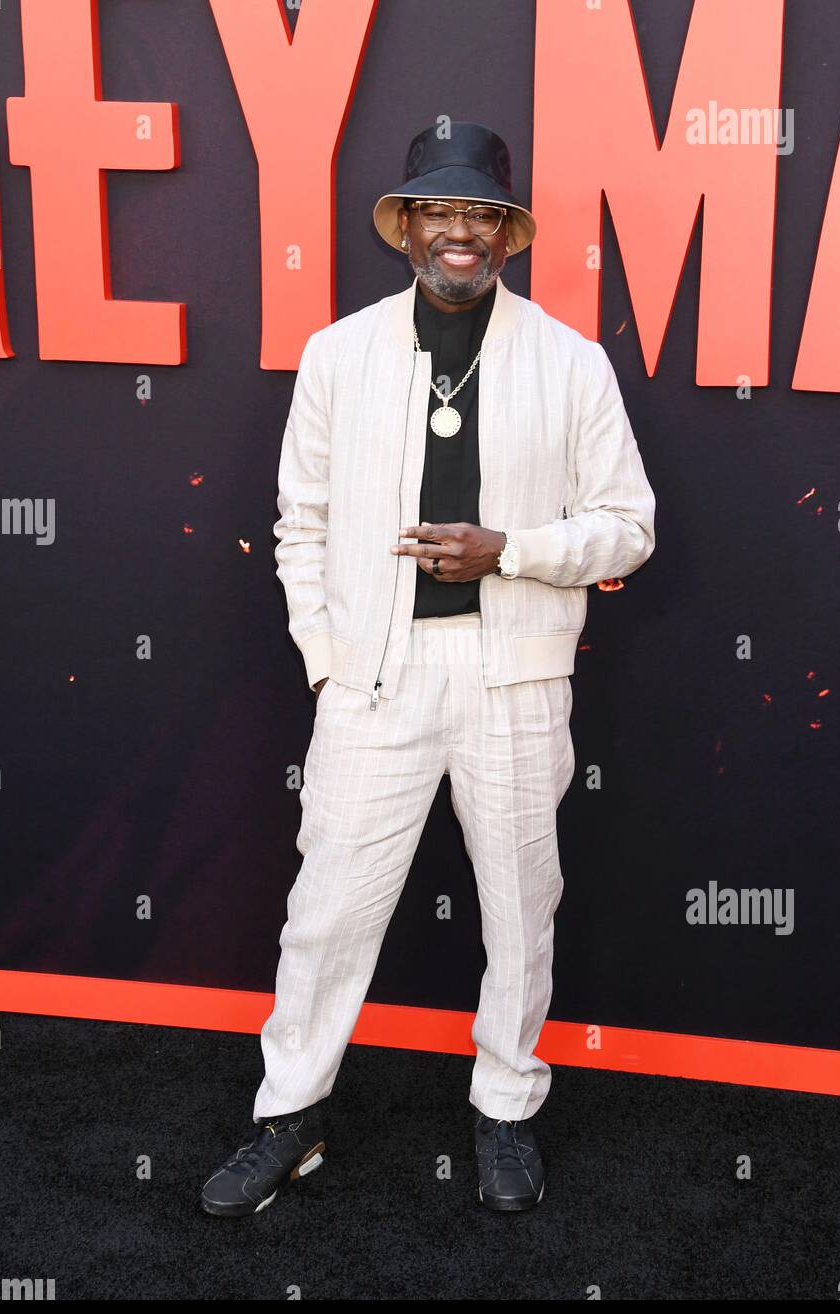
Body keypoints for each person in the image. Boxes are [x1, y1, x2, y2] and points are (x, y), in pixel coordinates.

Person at [200, 121, 656, 1218]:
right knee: (326, 915)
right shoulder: (338, 355)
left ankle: (506, 1108)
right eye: (441, 211)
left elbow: (630, 525)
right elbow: (298, 523)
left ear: (508, 234)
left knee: (520, 911)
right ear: (407, 226)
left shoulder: (570, 361)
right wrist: (325, 659)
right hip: (372, 683)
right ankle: (290, 1117)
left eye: (483, 214)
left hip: (514, 681)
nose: (462, 231)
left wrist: (515, 548)